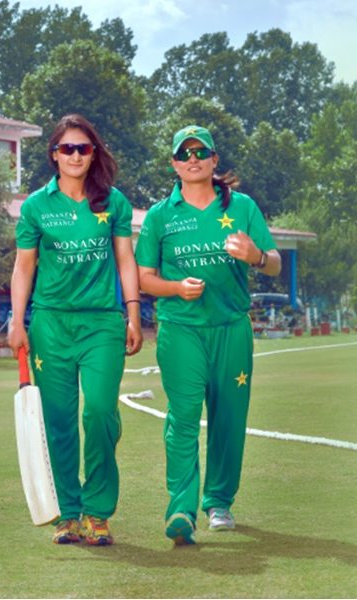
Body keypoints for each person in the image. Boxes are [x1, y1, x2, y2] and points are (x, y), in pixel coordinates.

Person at [135, 125, 281, 546]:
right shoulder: (161, 215)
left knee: (228, 417)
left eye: (201, 152)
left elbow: (273, 262)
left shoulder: (243, 207)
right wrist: (177, 289)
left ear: (215, 160)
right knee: (182, 417)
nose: (193, 159)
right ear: (174, 165)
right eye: (184, 154)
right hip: (180, 329)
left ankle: (219, 500)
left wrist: (255, 255)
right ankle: (181, 507)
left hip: (232, 327)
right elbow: (146, 278)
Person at [7, 114, 142, 546]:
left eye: (84, 148)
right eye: (67, 148)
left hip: (103, 321)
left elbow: (126, 261)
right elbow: (24, 266)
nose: (76, 155)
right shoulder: (35, 206)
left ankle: (98, 511)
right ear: (54, 155)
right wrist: (17, 321)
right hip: (50, 324)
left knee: (100, 411)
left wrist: (134, 313)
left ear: (94, 153)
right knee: (59, 419)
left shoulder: (113, 202)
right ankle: (69, 513)